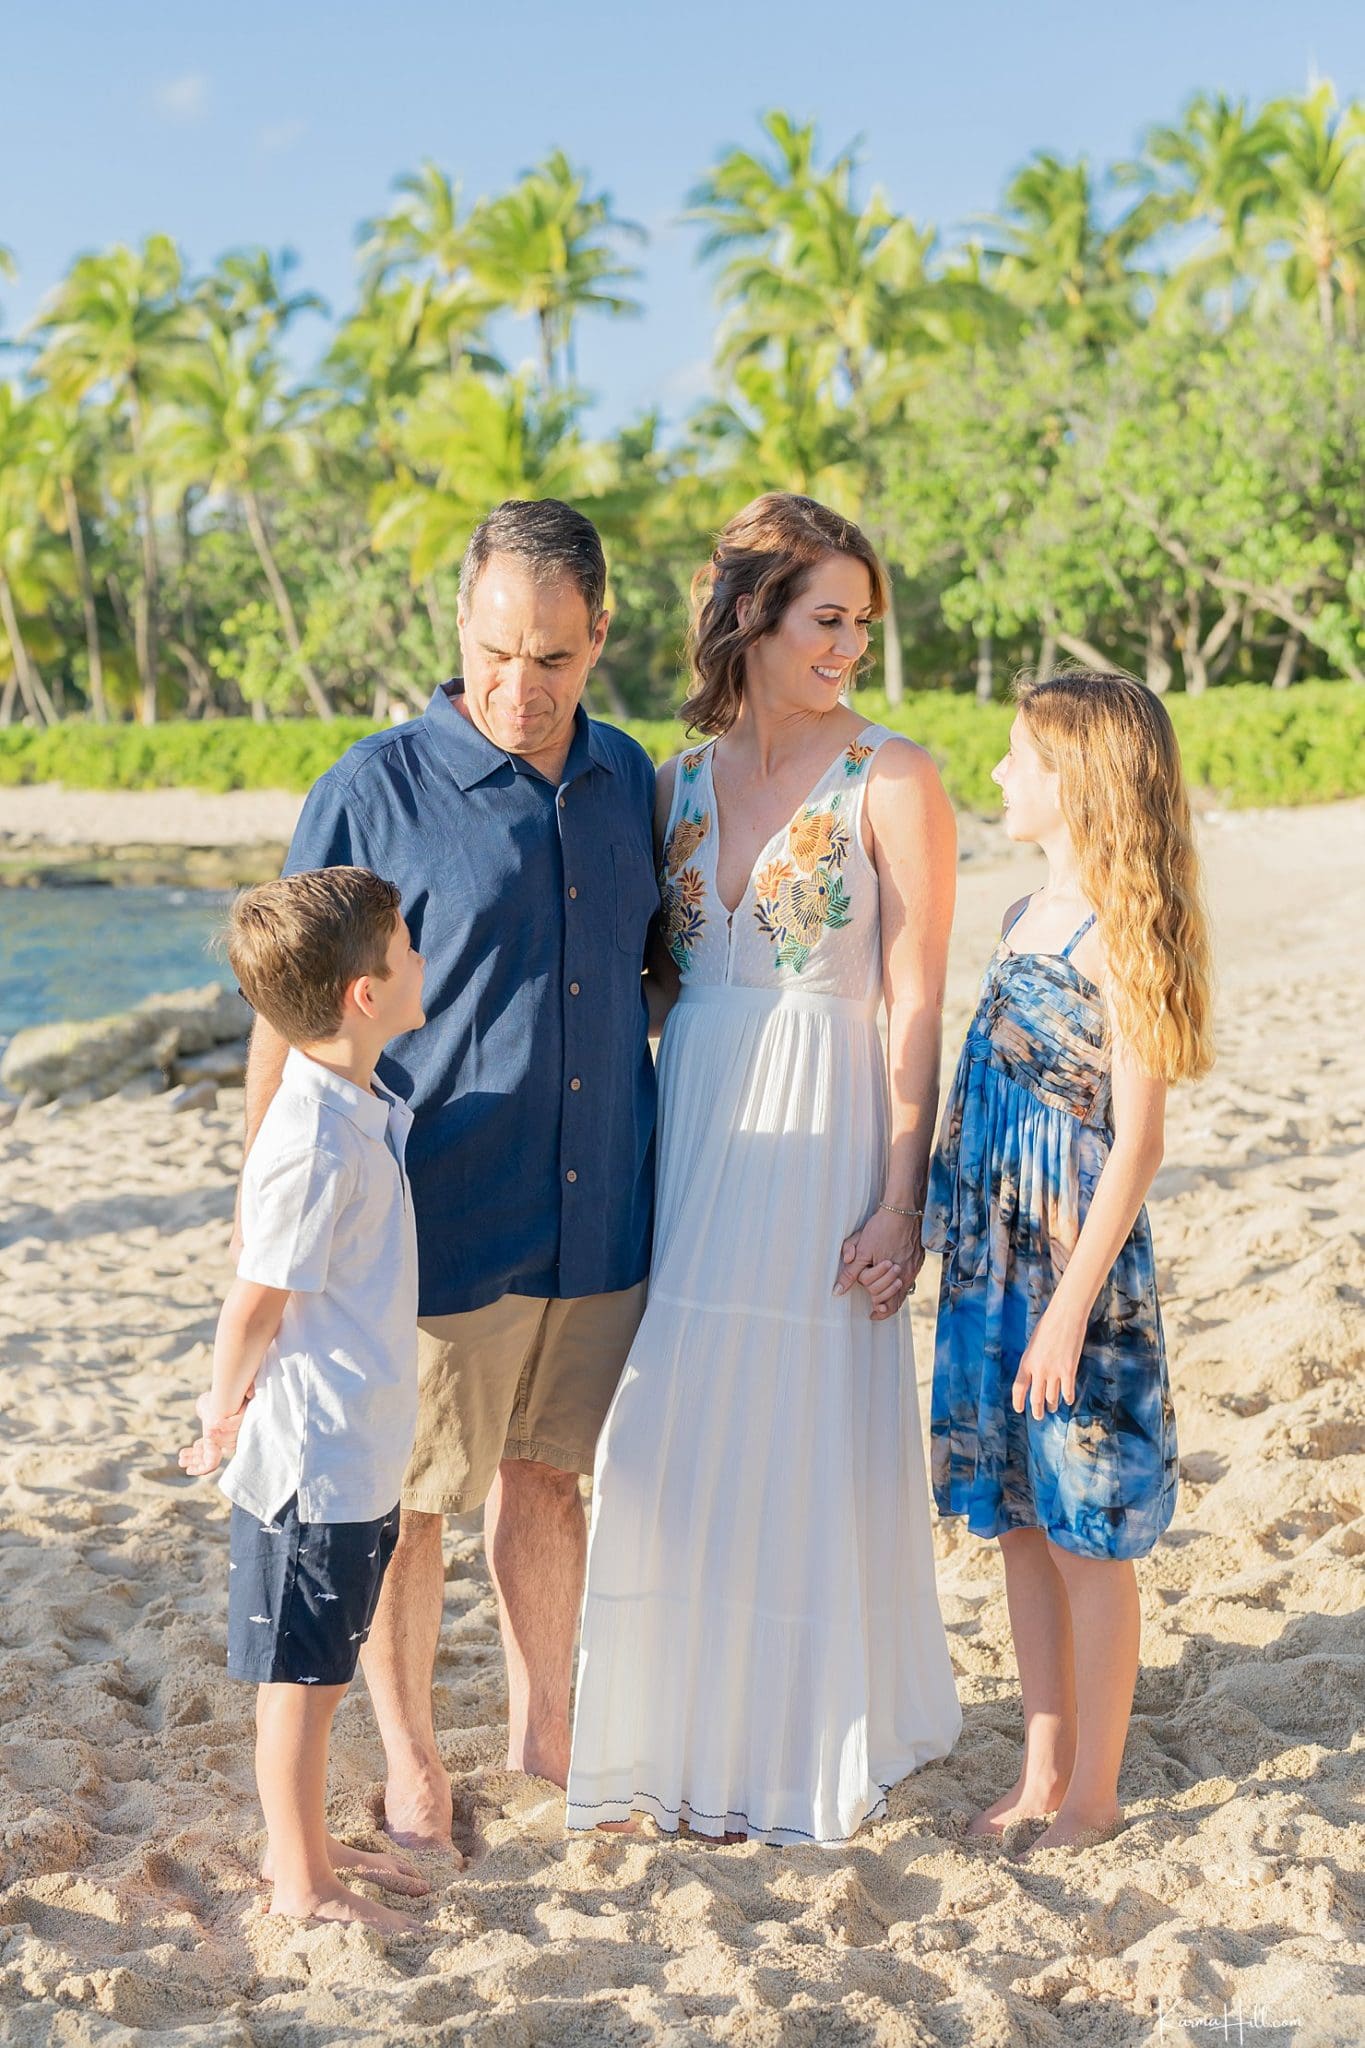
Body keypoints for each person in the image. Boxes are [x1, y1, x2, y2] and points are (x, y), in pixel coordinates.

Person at [229, 499, 658, 1851]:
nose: (518, 690)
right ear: (458, 624)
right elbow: (287, 1021)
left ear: (598, 636)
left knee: (546, 1478)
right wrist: (265, 1231)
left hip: (600, 1213)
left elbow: (661, 980)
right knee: (408, 1503)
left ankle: (548, 1739)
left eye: (551, 659)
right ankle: (413, 1763)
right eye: (492, 652)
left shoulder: (633, 780)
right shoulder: (372, 787)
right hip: (426, 1228)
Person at [566, 492, 962, 1846]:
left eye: (861, 622)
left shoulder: (893, 778)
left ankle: (798, 1738)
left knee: (797, 1421)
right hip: (702, 1127)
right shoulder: (670, 783)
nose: (849, 645)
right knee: (672, 1428)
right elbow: (650, 984)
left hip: (830, 1117)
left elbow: (917, 1000)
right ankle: (677, 1728)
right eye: (826, 619)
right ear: (751, 616)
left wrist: (900, 1197)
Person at [923, 670, 1214, 1851]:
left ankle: (1094, 1790)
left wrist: (1067, 1311)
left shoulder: (1122, 931)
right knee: (1018, 1518)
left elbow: (1137, 1145)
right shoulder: (1018, 918)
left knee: (1089, 1529)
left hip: (1076, 1282)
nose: (997, 775)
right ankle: (1040, 1768)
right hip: (992, 1266)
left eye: (1016, 757)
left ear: (1075, 778)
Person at [179, 867, 430, 1927]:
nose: (422, 956)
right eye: (407, 945)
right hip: (310, 1460)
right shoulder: (309, 1136)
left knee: (325, 1663)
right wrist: (215, 1412)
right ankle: (299, 1879)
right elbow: (253, 1302)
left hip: (361, 1446)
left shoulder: (360, 1102)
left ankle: (308, 1840)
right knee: (301, 1682)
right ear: (365, 992)